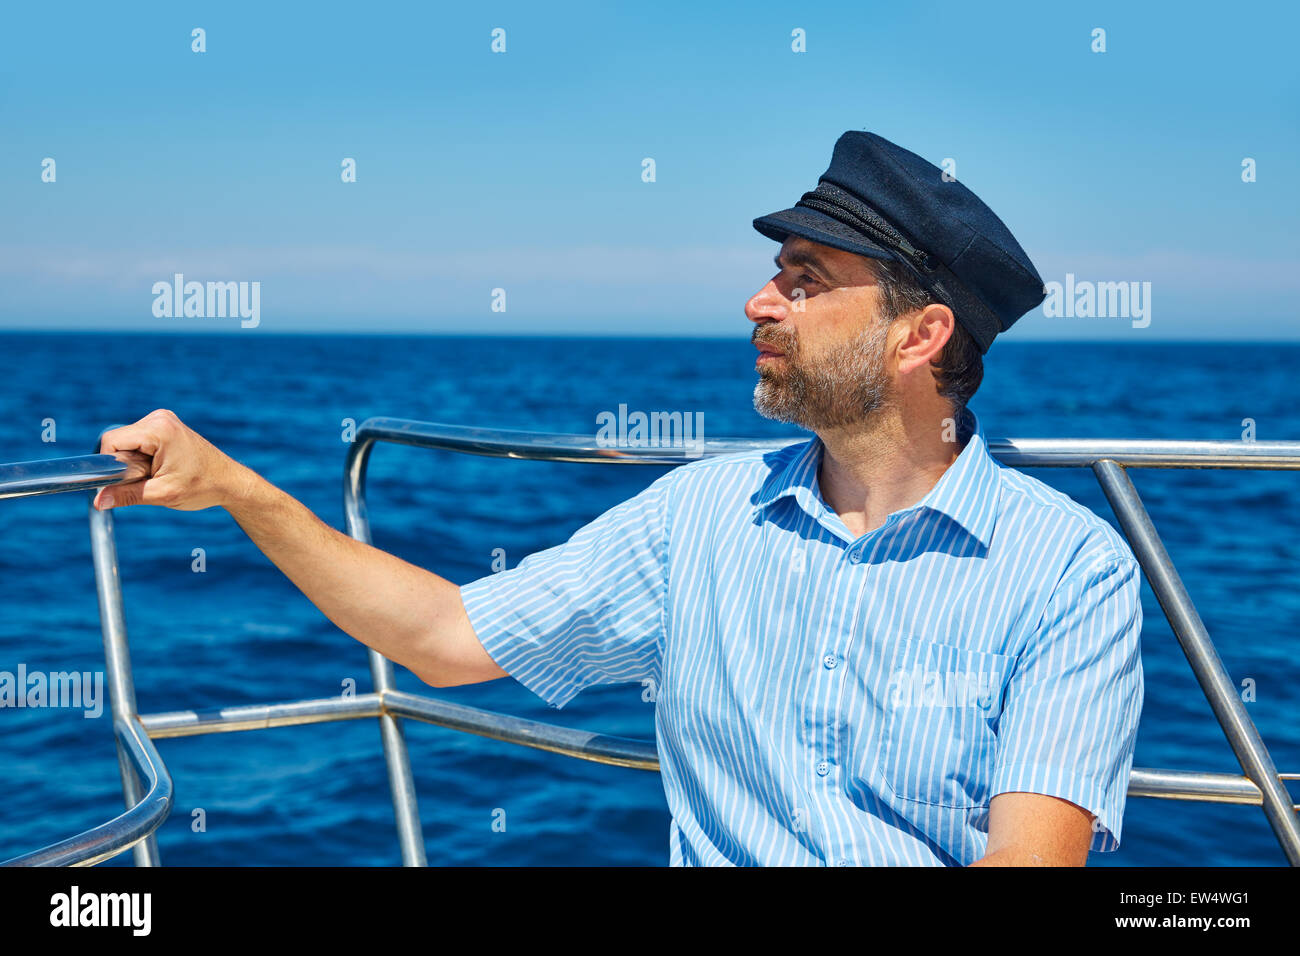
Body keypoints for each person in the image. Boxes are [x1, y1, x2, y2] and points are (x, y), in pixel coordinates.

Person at [93, 131, 1143, 866]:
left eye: (806, 279)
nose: (758, 301)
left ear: (920, 337)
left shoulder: (1067, 568)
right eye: (775, 271)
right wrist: (238, 488)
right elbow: (446, 638)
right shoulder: (700, 517)